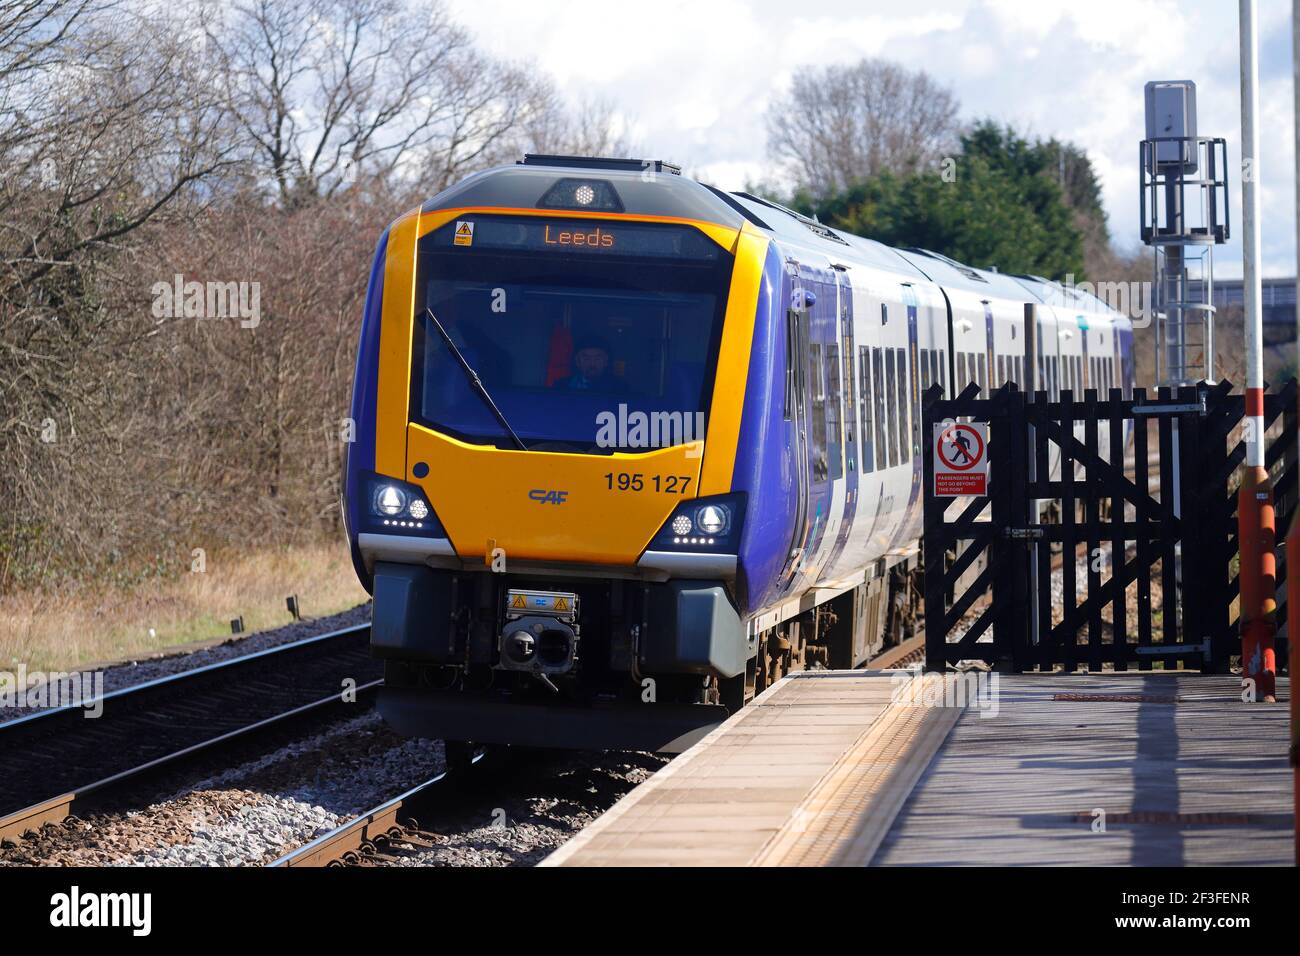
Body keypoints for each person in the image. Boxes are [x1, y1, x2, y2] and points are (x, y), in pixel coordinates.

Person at [553, 336, 628, 393]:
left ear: (606, 361)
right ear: (577, 361)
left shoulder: (620, 387)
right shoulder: (561, 386)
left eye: (597, 358)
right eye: (586, 358)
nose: (592, 363)